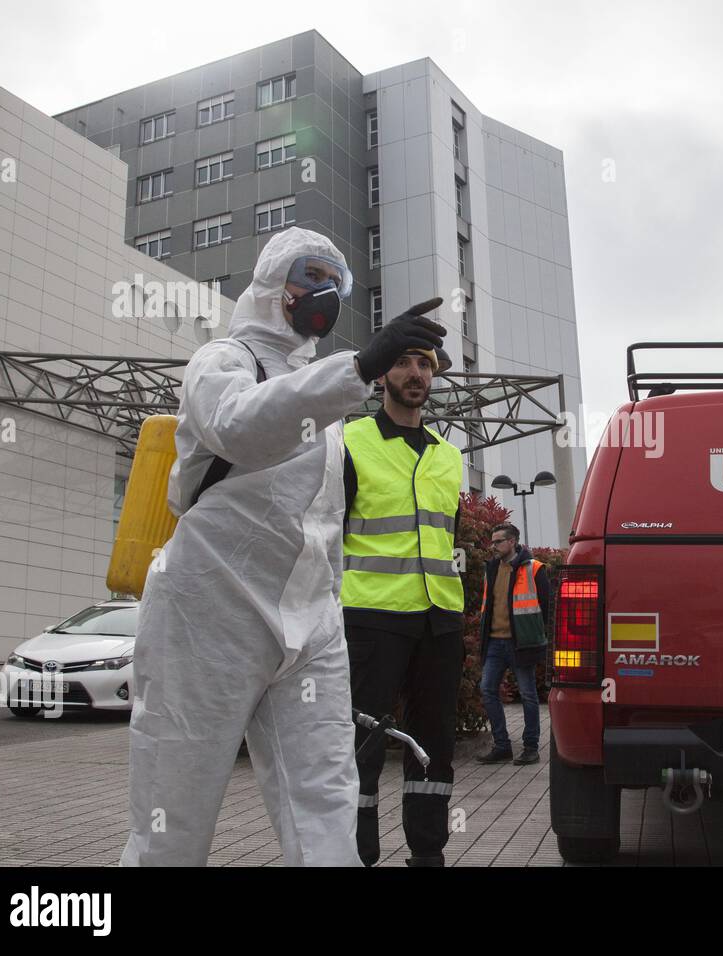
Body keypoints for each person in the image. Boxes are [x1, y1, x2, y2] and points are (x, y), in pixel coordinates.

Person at [121, 226, 446, 866]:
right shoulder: (223, 361)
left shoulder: (322, 391)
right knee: (174, 808)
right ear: (273, 283)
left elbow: (318, 524)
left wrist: (328, 607)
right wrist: (357, 368)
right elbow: (241, 428)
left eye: (334, 279)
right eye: (308, 275)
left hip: (307, 628)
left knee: (325, 798)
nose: (322, 291)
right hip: (209, 614)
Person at [342, 342, 465, 867]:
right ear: (380, 376)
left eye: (424, 365)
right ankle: (357, 855)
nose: (415, 374)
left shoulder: (448, 455)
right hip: (371, 617)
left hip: (440, 618)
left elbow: (448, 537)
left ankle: (428, 854)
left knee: (434, 742)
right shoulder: (349, 442)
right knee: (362, 746)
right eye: (402, 363)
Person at [476, 523, 551, 766]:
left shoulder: (534, 568)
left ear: (512, 542)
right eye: (493, 541)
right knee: (487, 689)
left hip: (521, 643)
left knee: (529, 696)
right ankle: (502, 746)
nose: (493, 546)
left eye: (498, 541)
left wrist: (539, 637)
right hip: (495, 642)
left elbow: (547, 607)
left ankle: (531, 747)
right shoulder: (491, 569)